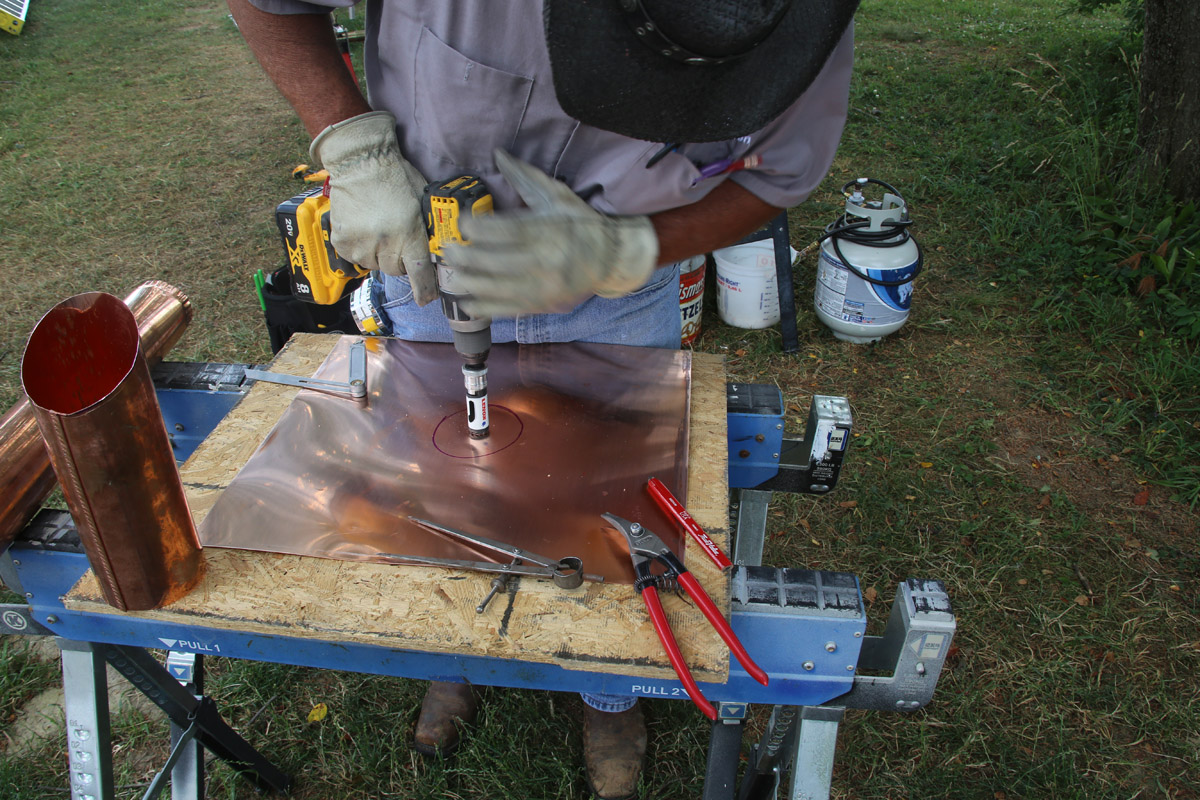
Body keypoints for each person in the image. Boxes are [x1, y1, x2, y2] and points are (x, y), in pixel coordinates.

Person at [227, 1, 857, 797]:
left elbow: (785, 174)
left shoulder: (793, 21)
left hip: (618, 286)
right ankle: (457, 652)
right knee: (432, 483)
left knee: (615, 521)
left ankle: (609, 693)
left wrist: (634, 249)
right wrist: (352, 149)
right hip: (427, 248)